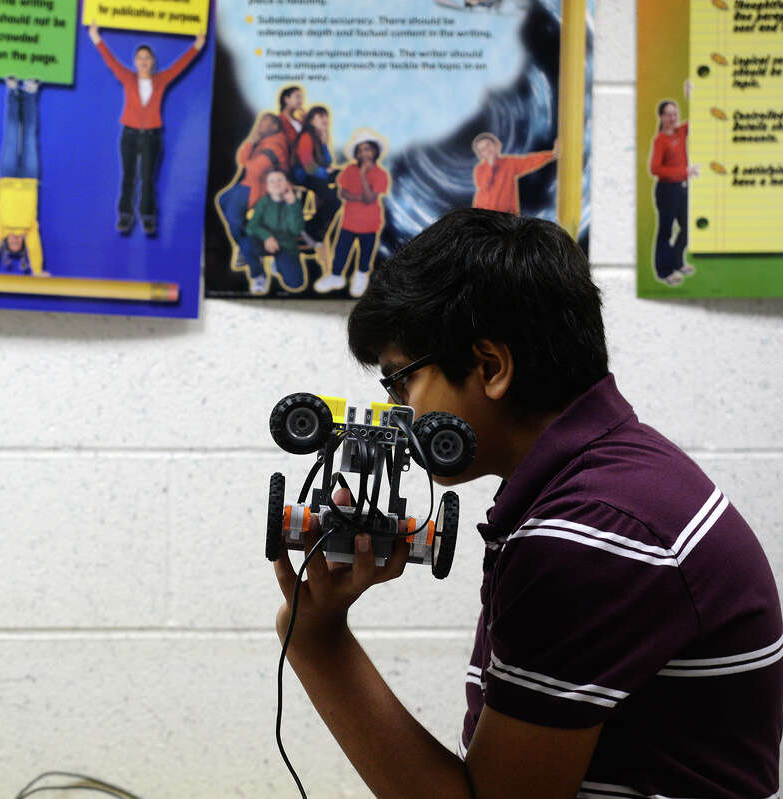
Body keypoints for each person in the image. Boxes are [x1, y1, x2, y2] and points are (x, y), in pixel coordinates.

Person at [274, 208, 782, 799]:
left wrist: (316, 640)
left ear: (490, 367)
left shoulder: (587, 535)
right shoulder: (621, 479)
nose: (399, 409)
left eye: (400, 380)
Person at [89, 23, 204, 236]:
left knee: (148, 178)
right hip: (129, 135)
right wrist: (96, 37)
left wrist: (197, 45)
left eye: (147, 58)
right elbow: (110, 61)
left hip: (152, 136)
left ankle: (148, 216)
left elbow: (181, 65)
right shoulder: (127, 78)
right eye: (140, 58)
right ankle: (125, 215)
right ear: (135, 62)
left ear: (152, 62)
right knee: (128, 176)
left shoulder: (161, 80)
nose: (143, 61)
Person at [314, 130, 390, 299]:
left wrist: (363, 176)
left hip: (370, 224)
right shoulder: (349, 170)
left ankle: (361, 276)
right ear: (356, 153)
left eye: (368, 149)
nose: (364, 153)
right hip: (349, 221)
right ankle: (336, 276)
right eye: (360, 150)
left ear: (375, 151)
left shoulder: (380, 174)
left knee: (365, 253)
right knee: (341, 250)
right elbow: (343, 193)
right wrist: (359, 197)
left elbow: (370, 198)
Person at [0, 77, 43, 275]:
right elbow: (35, 249)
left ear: (6, 242)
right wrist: (37, 270)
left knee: (11, 134)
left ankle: (12, 90)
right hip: (29, 178)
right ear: (23, 243)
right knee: (29, 134)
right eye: (19, 243)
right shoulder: (30, 230)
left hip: (7, 178)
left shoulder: (1, 227)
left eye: (12, 243)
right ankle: (31, 92)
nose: (16, 240)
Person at [215, 113, 290, 270]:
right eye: (260, 122)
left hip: (260, 187)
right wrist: (251, 140)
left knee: (234, 218)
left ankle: (247, 250)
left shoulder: (276, 144)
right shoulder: (263, 141)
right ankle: (248, 245)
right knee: (222, 200)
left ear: (274, 127)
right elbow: (242, 159)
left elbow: (255, 169)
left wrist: (249, 155)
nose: (260, 125)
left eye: (264, 123)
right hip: (249, 182)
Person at [649, 96, 698, 287]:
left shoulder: (681, 132)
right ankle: (664, 271)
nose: (673, 117)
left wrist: (689, 95)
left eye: (675, 113)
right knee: (666, 232)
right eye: (668, 114)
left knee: (686, 227)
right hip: (666, 191)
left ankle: (678, 262)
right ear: (661, 117)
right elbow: (655, 169)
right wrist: (684, 171)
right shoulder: (660, 140)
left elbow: (699, 116)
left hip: (682, 189)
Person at [244, 169, 305, 295]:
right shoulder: (264, 202)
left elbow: (296, 230)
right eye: (271, 181)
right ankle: (259, 276)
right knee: (247, 244)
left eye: (280, 180)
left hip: (285, 245)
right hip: (264, 242)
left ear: (287, 183)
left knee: (295, 283)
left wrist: (292, 204)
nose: (276, 184)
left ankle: (277, 263)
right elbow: (251, 226)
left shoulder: (294, 203)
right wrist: (267, 237)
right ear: (267, 186)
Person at [470, 131, 558, 215]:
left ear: (496, 145)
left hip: (507, 213)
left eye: (488, 145)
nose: (487, 150)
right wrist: (490, 165)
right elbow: (484, 185)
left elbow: (529, 161)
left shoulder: (510, 163)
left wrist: (551, 155)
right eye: (483, 149)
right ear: (481, 155)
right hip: (483, 213)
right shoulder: (480, 169)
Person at [293, 105, 337, 270]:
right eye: (320, 117)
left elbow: (327, 160)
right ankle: (310, 228)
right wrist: (325, 173)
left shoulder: (318, 136)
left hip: (317, 173)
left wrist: (325, 138)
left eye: (326, 116)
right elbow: (307, 166)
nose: (325, 119)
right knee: (334, 201)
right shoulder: (306, 136)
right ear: (311, 121)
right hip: (305, 176)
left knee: (345, 177)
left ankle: (318, 227)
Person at [277, 85, 305, 170]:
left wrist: (307, 122)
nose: (300, 101)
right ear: (286, 99)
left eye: (302, 98)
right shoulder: (278, 121)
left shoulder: (300, 122)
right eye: (297, 97)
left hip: (305, 162)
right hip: (289, 166)